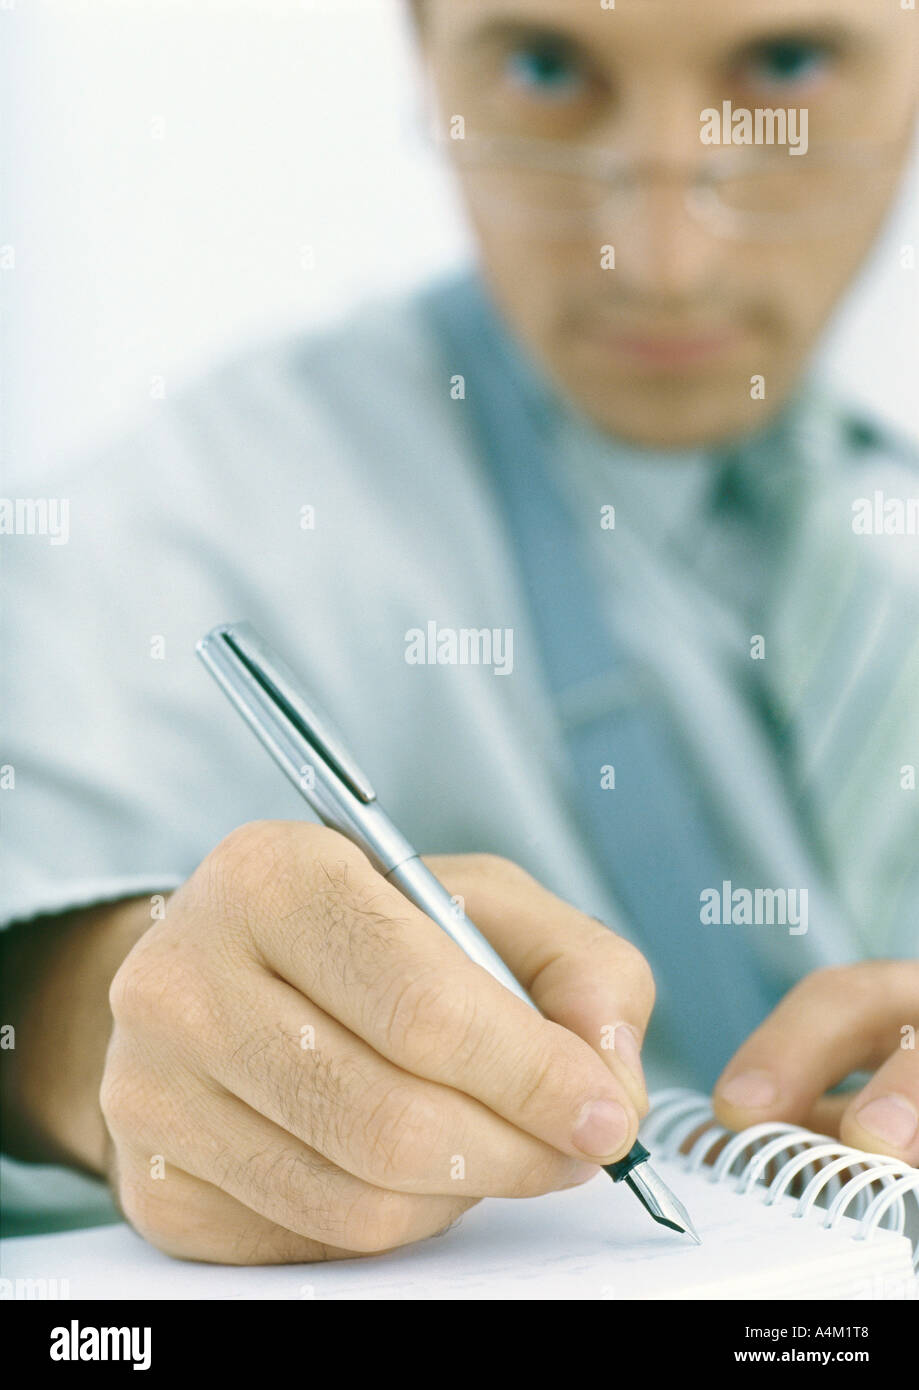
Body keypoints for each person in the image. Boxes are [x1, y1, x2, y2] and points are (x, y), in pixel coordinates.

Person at [1, 0, 917, 1264]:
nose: (663, 260)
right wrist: (80, 1031)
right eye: (545, 69)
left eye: (786, 68)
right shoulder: (152, 532)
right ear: (423, 54)